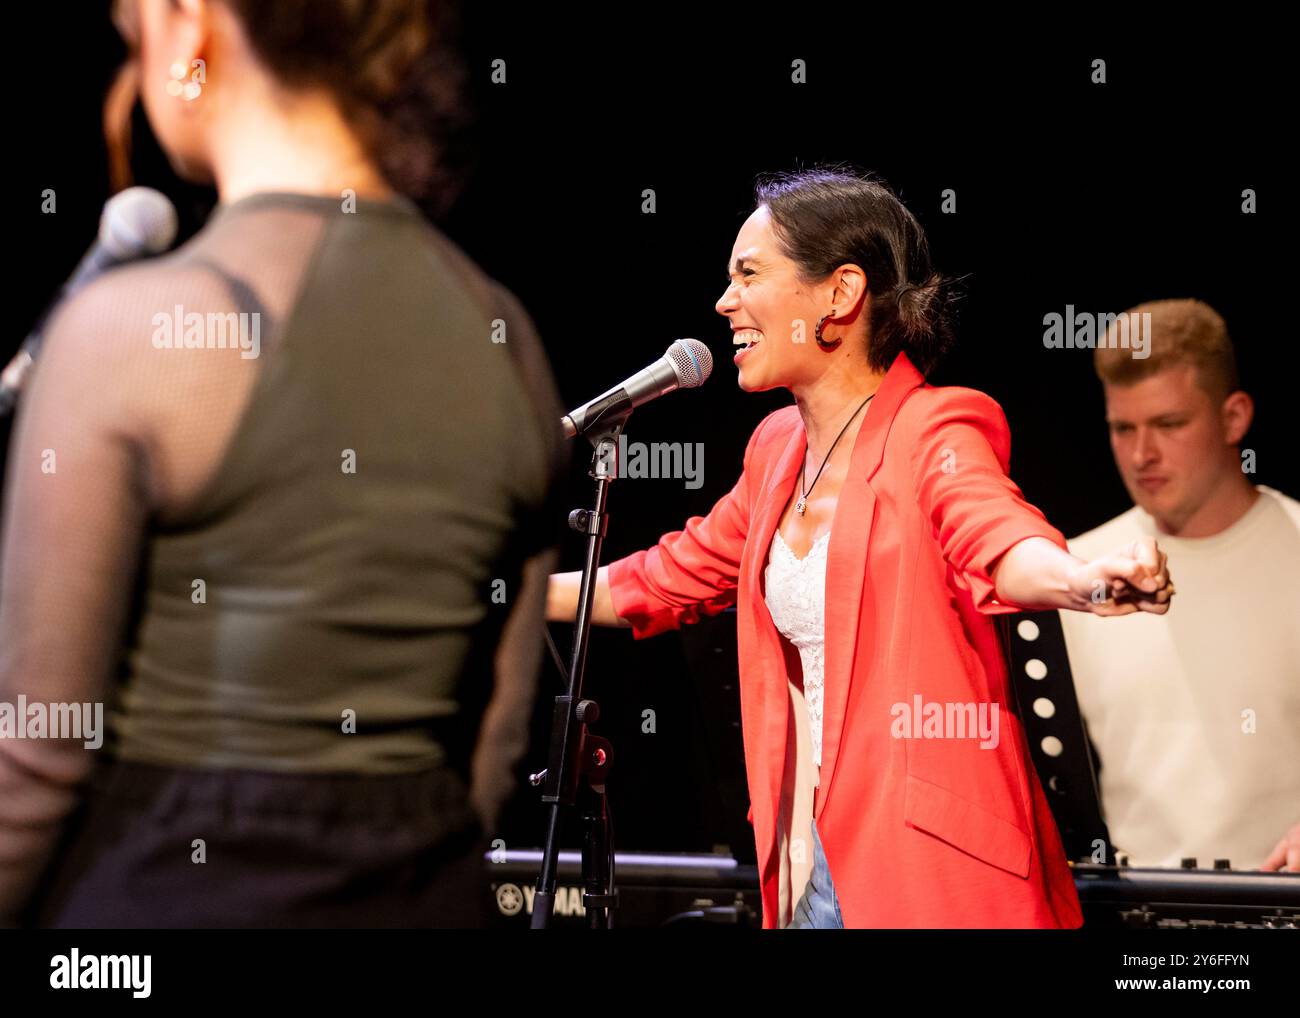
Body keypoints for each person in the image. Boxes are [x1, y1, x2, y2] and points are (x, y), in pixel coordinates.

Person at [0, 0, 565, 927]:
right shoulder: (507, 337)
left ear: (193, 26)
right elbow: (494, 746)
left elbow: (35, 761)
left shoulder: (130, 330)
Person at [548, 168, 1174, 929]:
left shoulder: (936, 427)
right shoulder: (777, 449)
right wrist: (509, 596)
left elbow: (992, 533)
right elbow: (669, 575)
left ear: (840, 294)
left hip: (934, 872)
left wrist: (1082, 581)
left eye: (749, 275)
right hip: (812, 866)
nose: (725, 302)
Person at [1059, 299, 1300, 872]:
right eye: (1123, 428)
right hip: (1131, 919)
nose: (1143, 454)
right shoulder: (1075, 572)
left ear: (1234, 417)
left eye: (1169, 424)